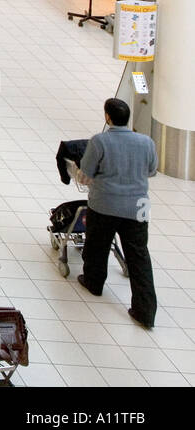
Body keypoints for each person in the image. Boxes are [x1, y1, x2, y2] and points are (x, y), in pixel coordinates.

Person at [77, 98, 158, 329]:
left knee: (97, 245)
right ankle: (145, 311)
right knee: (139, 255)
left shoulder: (100, 141)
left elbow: (85, 174)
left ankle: (93, 282)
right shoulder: (146, 142)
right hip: (139, 207)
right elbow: (151, 171)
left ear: (107, 117)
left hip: (105, 204)